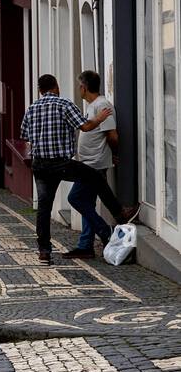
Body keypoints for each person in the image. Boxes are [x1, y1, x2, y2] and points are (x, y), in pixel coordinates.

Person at [20, 73, 121, 265]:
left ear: (40, 91)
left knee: (44, 208)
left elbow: (24, 134)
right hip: (61, 164)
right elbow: (85, 126)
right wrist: (99, 119)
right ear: (56, 87)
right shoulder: (64, 104)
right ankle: (119, 213)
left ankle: (44, 251)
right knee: (95, 177)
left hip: (40, 166)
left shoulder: (31, 108)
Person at [62, 71, 138, 258]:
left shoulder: (102, 106)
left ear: (84, 87)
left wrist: (112, 153)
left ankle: (105, 232)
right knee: (86, 202)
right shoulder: (92, 106)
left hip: (94, 164)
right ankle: (85, 245)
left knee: (76, 198)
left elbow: (112, 135)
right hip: (88, 162)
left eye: (79, 85)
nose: (78, 88)